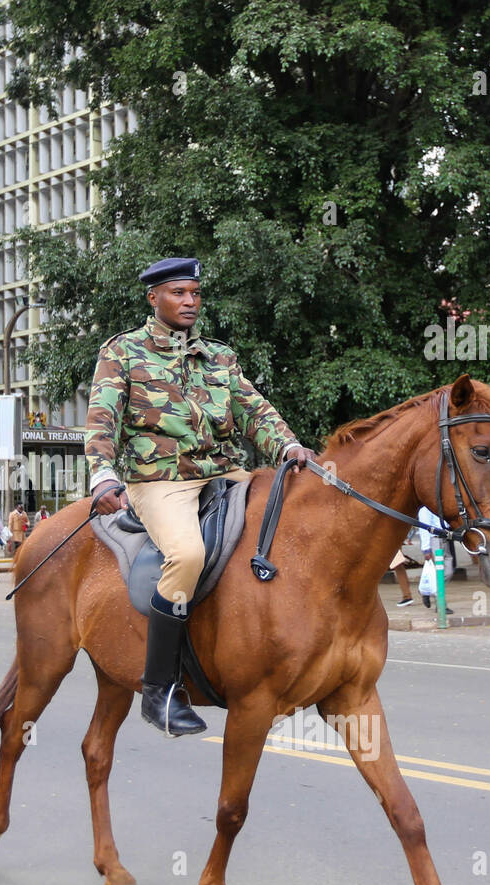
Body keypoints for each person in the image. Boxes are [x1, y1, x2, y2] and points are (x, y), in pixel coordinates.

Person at [87, 257, 316, 736]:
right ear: (154, 297)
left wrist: (289, 445)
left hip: (226, 473)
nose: (189, 301)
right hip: (159, 480)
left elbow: (255, 412)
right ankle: (159, 689)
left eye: (194, 293)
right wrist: (102, 475)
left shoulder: (219, 356)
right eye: (178, 293)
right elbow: (102, 421)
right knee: (188, 554)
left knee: (288, 527)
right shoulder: (123, 352)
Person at [416, 506, 454, 614]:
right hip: (434, 540)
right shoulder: (425, 509)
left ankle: (427, 591)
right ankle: (441, 604)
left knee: (448, 571)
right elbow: (424, 528)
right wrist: (426, 549)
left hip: (445, 538)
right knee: (438, 573)